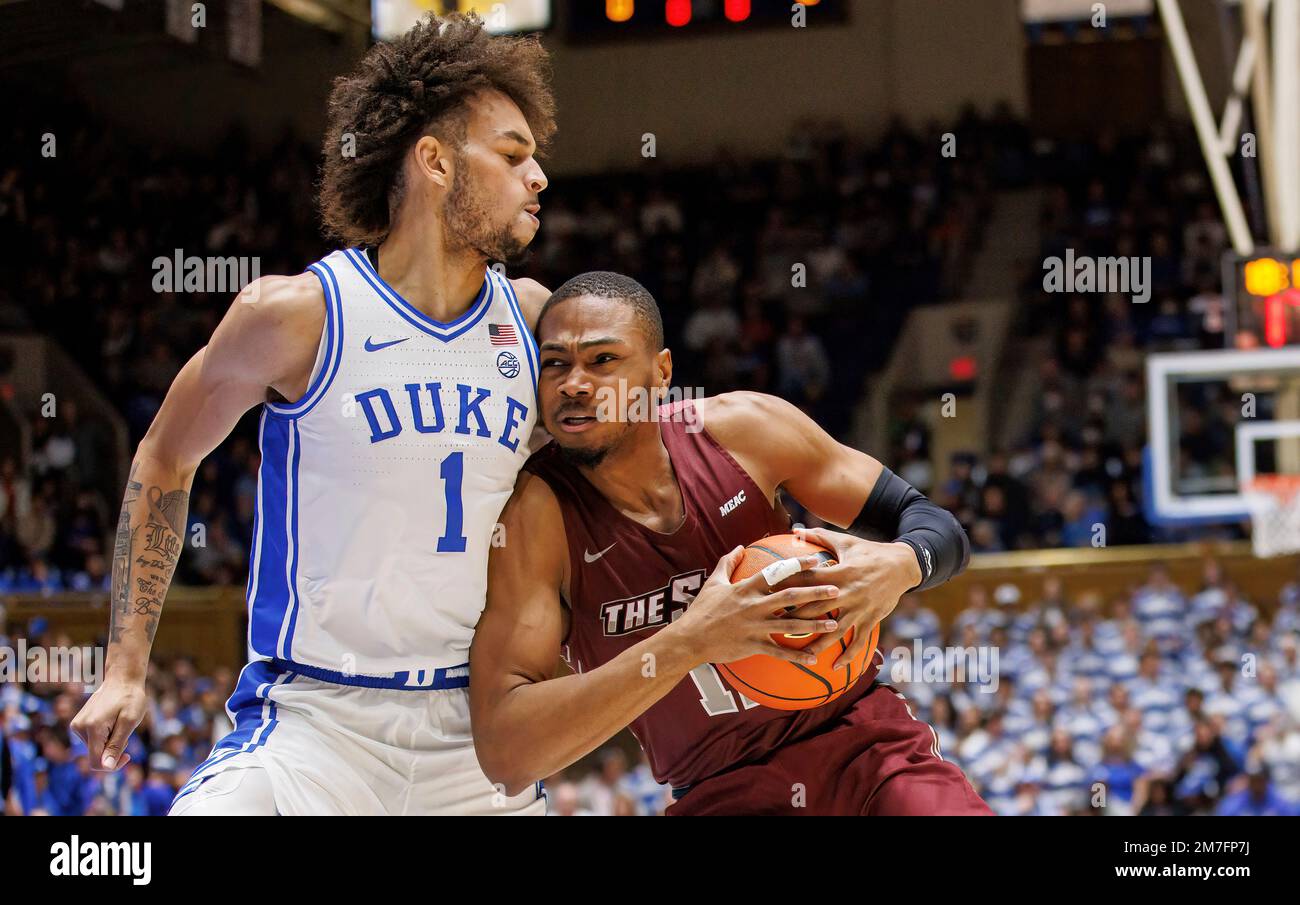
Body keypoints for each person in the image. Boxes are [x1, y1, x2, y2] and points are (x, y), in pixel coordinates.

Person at [71, 12, 557, 815]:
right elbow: (164, 454)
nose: (537, 176)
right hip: (315, 726)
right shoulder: (296, 317)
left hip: (477, 732)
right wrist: (125, 665)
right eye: (512, 154)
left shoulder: (537, 324)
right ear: (434, 160)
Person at [470, 272, 991, 815]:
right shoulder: (536, 516)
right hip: (718, 790)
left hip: (865, 744)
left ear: (660, 372)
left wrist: (903, 563)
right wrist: (692, 640)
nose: (574, 383)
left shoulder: (742, 431)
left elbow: (935, 526)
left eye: (603, 361)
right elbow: (507, 752)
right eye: (555, 363)